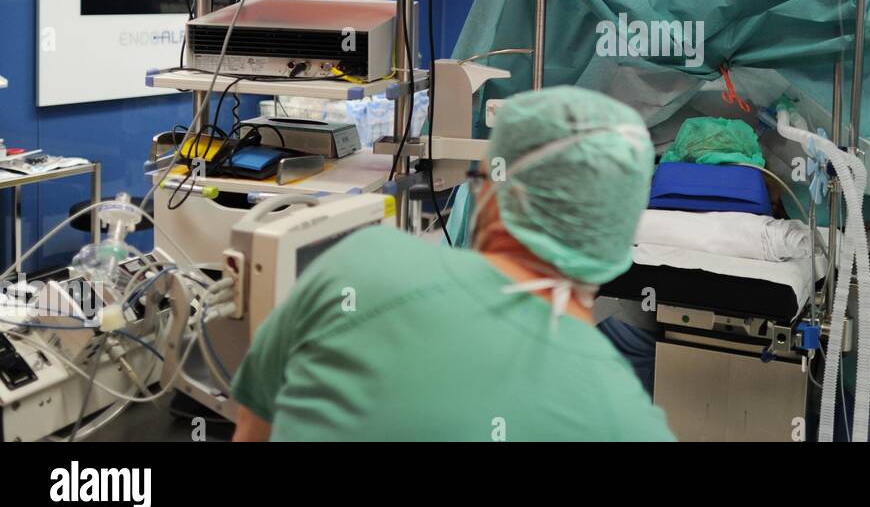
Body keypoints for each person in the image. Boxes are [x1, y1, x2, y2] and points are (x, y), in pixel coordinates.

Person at [231, 86, 676, 442]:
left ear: (502, 195)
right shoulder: (626, 421)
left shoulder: (358, 265)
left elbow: (253, 432)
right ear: (619, 229)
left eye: (478, 178)